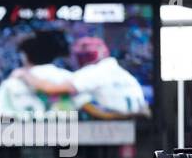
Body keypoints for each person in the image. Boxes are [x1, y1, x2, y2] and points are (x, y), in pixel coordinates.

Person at [12, 36, 150, 119]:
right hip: (134, 120)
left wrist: (25, 74)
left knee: (70, 98)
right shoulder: (116, 70)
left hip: (116, 120)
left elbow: (51, 89)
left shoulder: (95, 71)